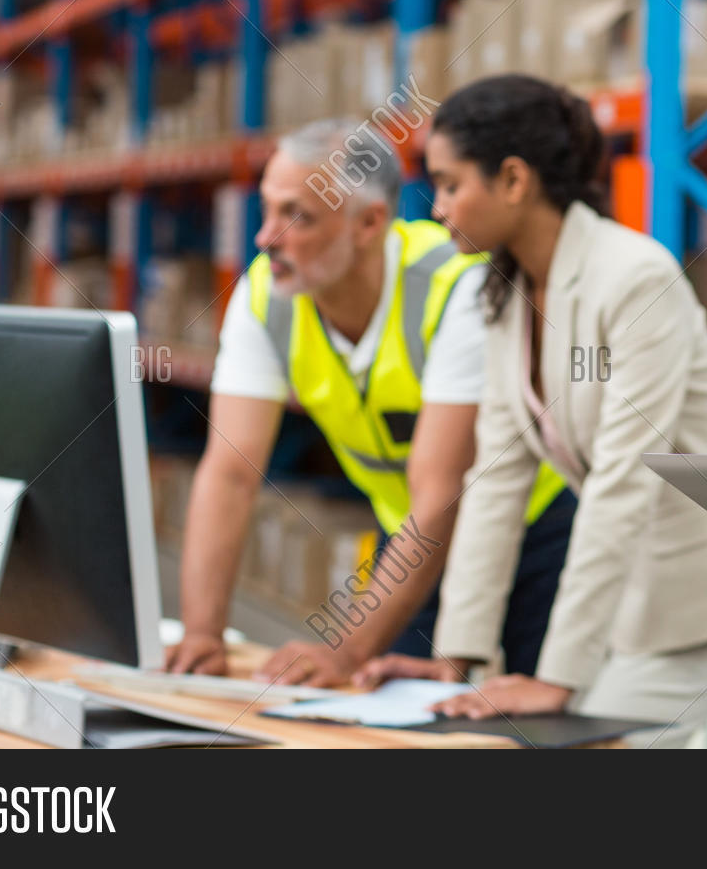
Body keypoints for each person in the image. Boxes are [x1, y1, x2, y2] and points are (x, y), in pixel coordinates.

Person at [355, 75, 707, 747]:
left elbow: (623, 481)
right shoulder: (505, 290)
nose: (438, 209)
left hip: (704, 603)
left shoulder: (636, 278)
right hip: (628, 604)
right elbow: (495, 481)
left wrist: (556, 678)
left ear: (514, 180)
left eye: (450, 184)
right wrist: (456, 656)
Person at [164, 118, 575, 686]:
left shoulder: (456, 288)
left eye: (296, 216)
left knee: (538, 712)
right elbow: (230, 472)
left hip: (534, 529)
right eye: (266, 210)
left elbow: (442, 493)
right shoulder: (267, 296)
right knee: (393, 706)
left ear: (369, 224)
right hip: (409, 534)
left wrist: (348, 650)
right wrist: (202, 637)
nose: (266, 238)